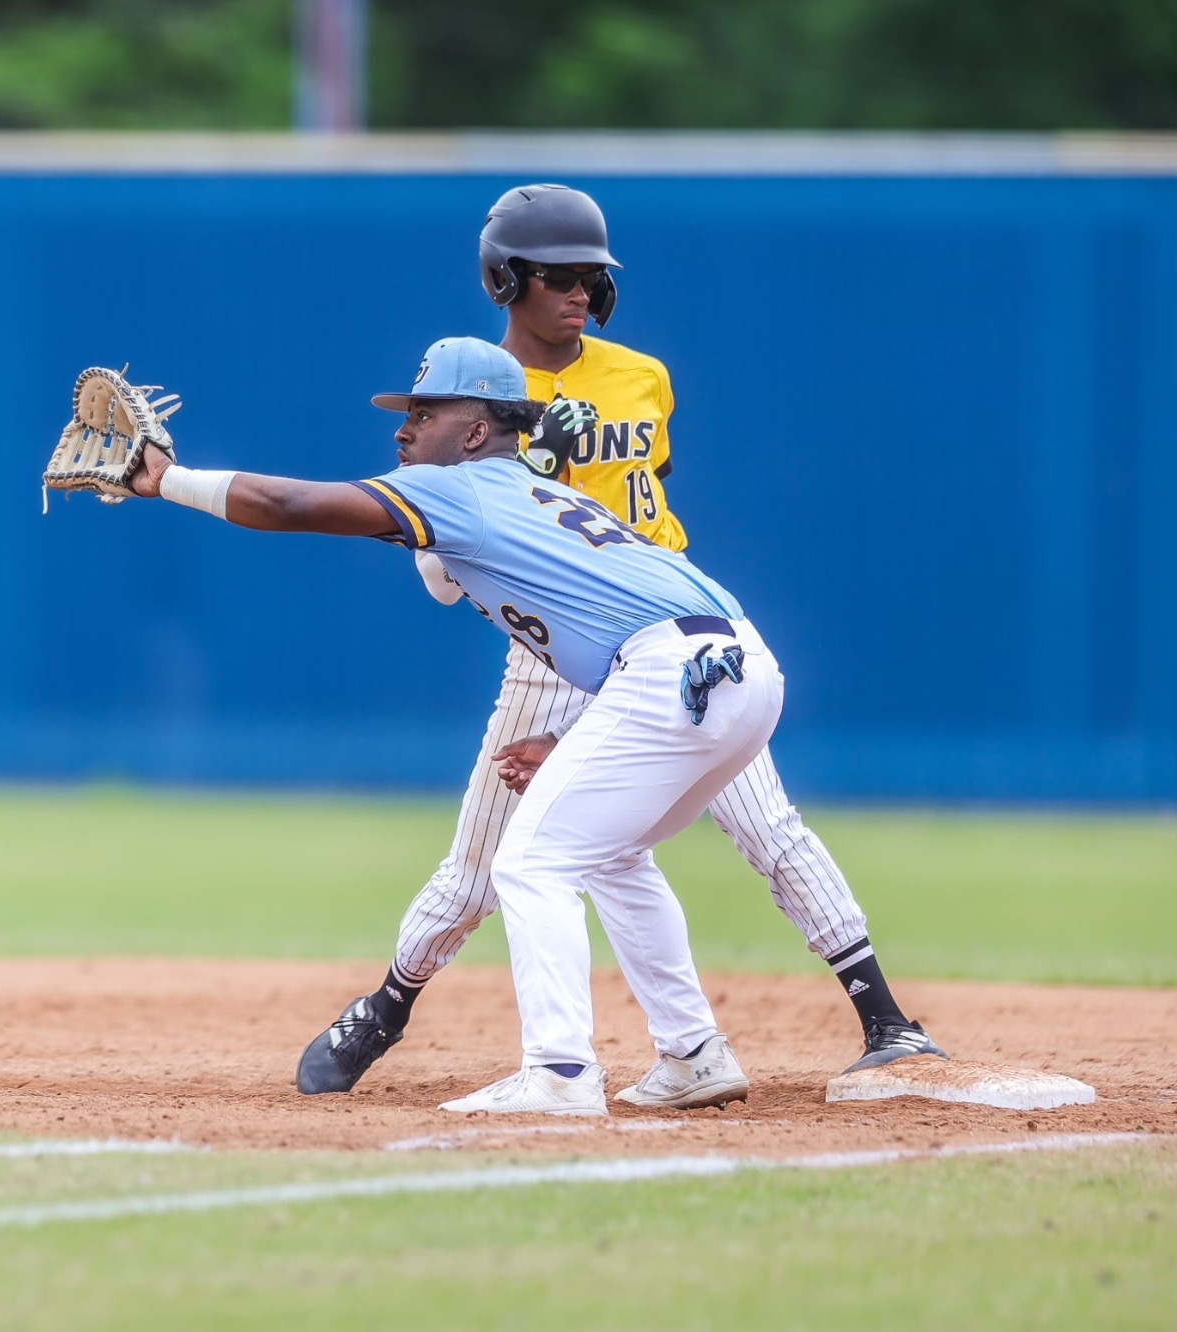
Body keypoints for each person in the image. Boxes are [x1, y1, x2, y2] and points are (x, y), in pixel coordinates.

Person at [295, 185, 947, 1098]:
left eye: (593, 277)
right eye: (559, 274)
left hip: (659, 630)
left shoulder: (640, 374)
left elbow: (645, 503)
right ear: (506, 279)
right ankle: (390, 1004)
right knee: (485, 864)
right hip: (553, 647)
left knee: (766, 827)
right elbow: (450, 545)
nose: (582, 292)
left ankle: (884, 1020)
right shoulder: (476, 399)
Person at [130, 335, 777, 1114]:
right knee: (612, 854)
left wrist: (167, 479)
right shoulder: (539, 493)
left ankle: (562, 1075)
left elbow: (289, 505)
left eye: (427, 412)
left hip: (670, 672)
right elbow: (457, 580)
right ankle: (694, 1053)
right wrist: (575, 740)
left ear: (476, 433)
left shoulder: (463, 490)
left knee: (529, 862)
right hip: (739, 668)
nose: (405, 428)